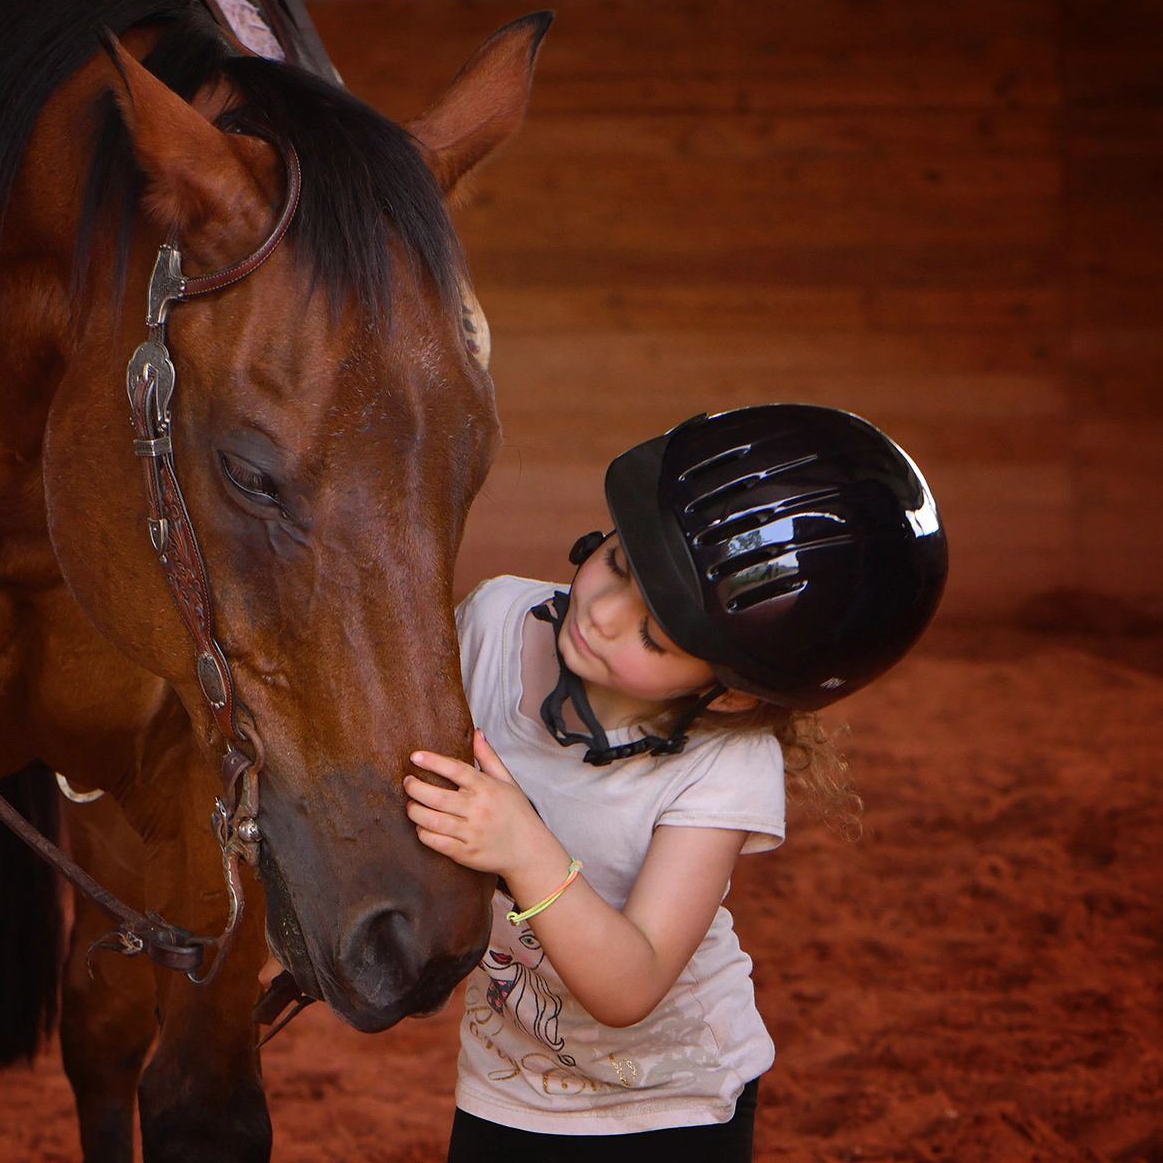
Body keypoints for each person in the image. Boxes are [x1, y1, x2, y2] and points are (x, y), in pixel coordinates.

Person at [404, 403, 948, 1162]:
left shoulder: (725, 761)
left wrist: (521, 847)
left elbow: (633, 984)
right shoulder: (494, 623)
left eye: (654, 635)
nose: (601, 610)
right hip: (508, 1081)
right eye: (621, 562)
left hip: (671, 1109)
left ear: (729, 692)